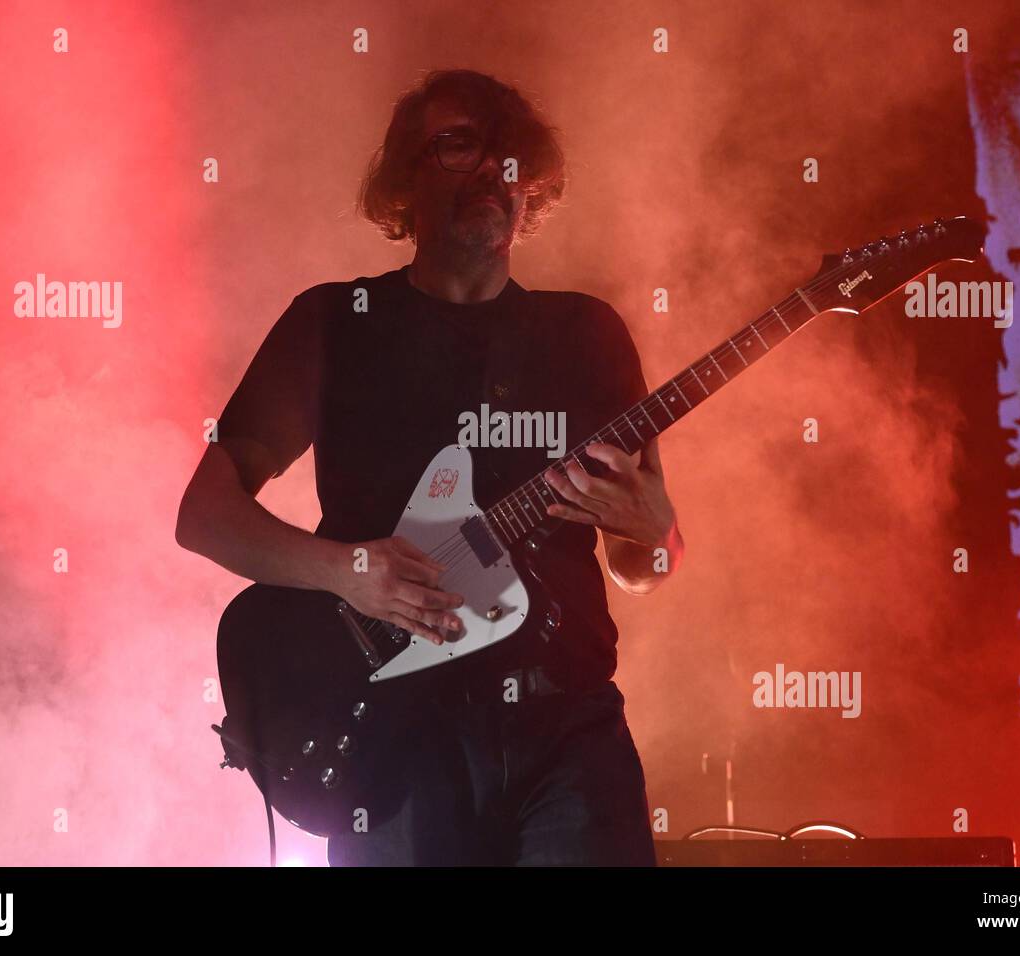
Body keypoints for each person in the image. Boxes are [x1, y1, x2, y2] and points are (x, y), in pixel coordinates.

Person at [176, 69, 684, 865]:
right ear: (404, 178)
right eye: (459, 146)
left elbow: (642, 558)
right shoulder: (336, 324)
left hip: (569, 731)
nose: (493, 170)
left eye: (512, 158)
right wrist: (349, 570)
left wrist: (657, 535)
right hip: (394, 735)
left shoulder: (586, 332)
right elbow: (203, 515)